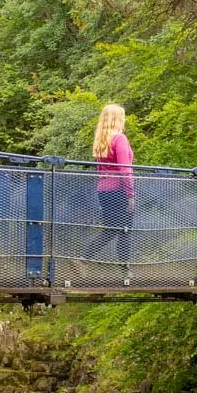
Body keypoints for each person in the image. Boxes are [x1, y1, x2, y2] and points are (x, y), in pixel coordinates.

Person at [88, 103, 135, 270]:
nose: (124, 120)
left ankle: (124, 266)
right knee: (123, 228)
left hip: (103, 190)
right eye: (122, 117)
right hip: (119, 190)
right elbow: (125, 169)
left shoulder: (101, 141)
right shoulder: (119, 138)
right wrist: (130, 194)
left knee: (116, 227)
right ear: (117, 119)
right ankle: (85, 258)